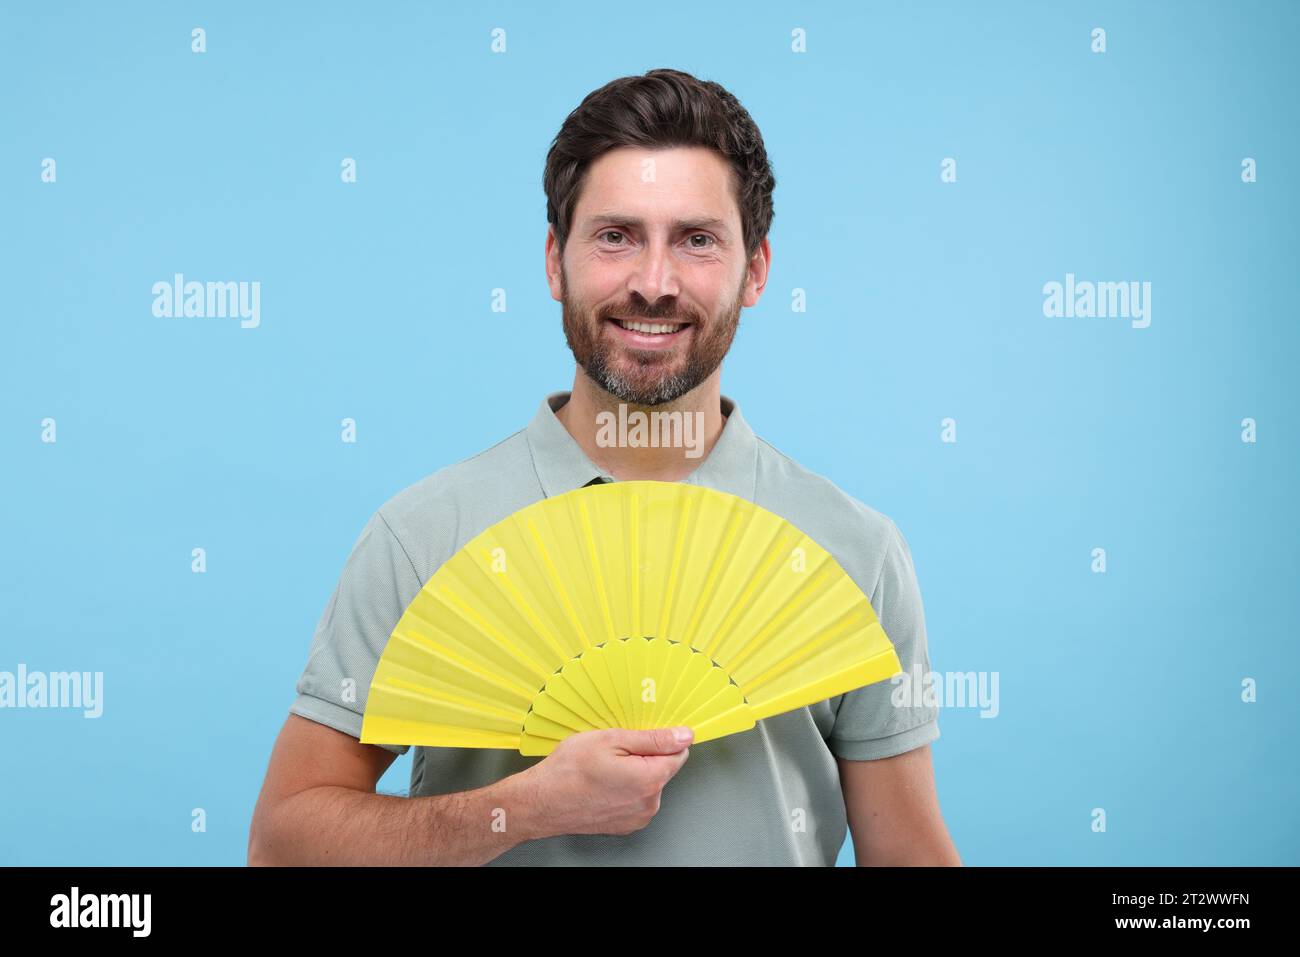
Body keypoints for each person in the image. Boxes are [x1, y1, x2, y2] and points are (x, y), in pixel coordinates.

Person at [248, 68, 961, 866]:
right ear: (555, 261)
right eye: (616, 236)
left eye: (696, 239)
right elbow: (282, 846)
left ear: (755, 271)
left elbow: (909, 854)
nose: (652, 284)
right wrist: (520, 808)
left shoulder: (854, 551)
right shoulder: (422, 535)